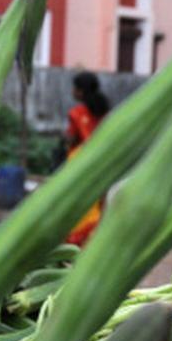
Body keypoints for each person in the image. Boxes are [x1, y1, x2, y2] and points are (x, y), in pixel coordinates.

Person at [64, 72, 111, 246]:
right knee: (98, 199)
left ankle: (75, 240)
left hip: (80, 161)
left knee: (78, 199)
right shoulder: (104, 111)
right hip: (102, 159)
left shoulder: (77, 113)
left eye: (74, 88)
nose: (72, 91)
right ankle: (96, 235)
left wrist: (66, 140)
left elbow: (71, 138)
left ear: (81, 91)